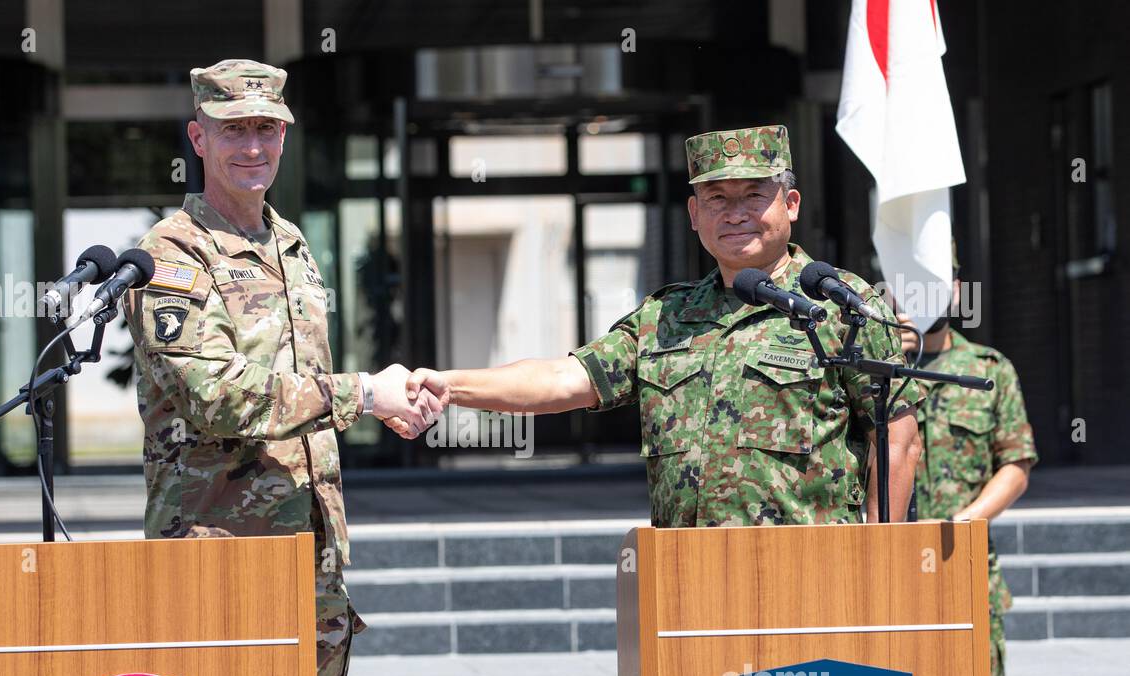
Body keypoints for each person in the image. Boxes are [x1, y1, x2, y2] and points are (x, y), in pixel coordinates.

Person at [122, 59, 444, 676]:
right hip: (217, 555)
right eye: (234, 129)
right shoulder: (171, 257)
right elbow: (218, 398)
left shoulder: (292, 245)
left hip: (310, 555)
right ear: (199, 137)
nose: (253, 145)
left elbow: (300, 396)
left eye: (268, 128)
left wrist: (385, 408)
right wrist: (366, 393)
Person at [392, 125, 923, 527]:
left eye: (753, 195)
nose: (735, 213)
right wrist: (451, 384)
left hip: (810, 574)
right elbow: (562, 380)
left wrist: (876, 560)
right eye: (717, 199)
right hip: (686, 583)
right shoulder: (664, 318)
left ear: (790, 204)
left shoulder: (841, 306)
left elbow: (896, 438)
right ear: (694, 214)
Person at [896, 248, 1038, 676]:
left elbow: (1016, 463)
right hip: (893, 571)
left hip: (965, 565)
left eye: (932, 283)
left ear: (956, 291)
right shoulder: (870, 372)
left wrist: (966, 521)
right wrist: (893, 360)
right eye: (906, 283)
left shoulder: (988, 369)